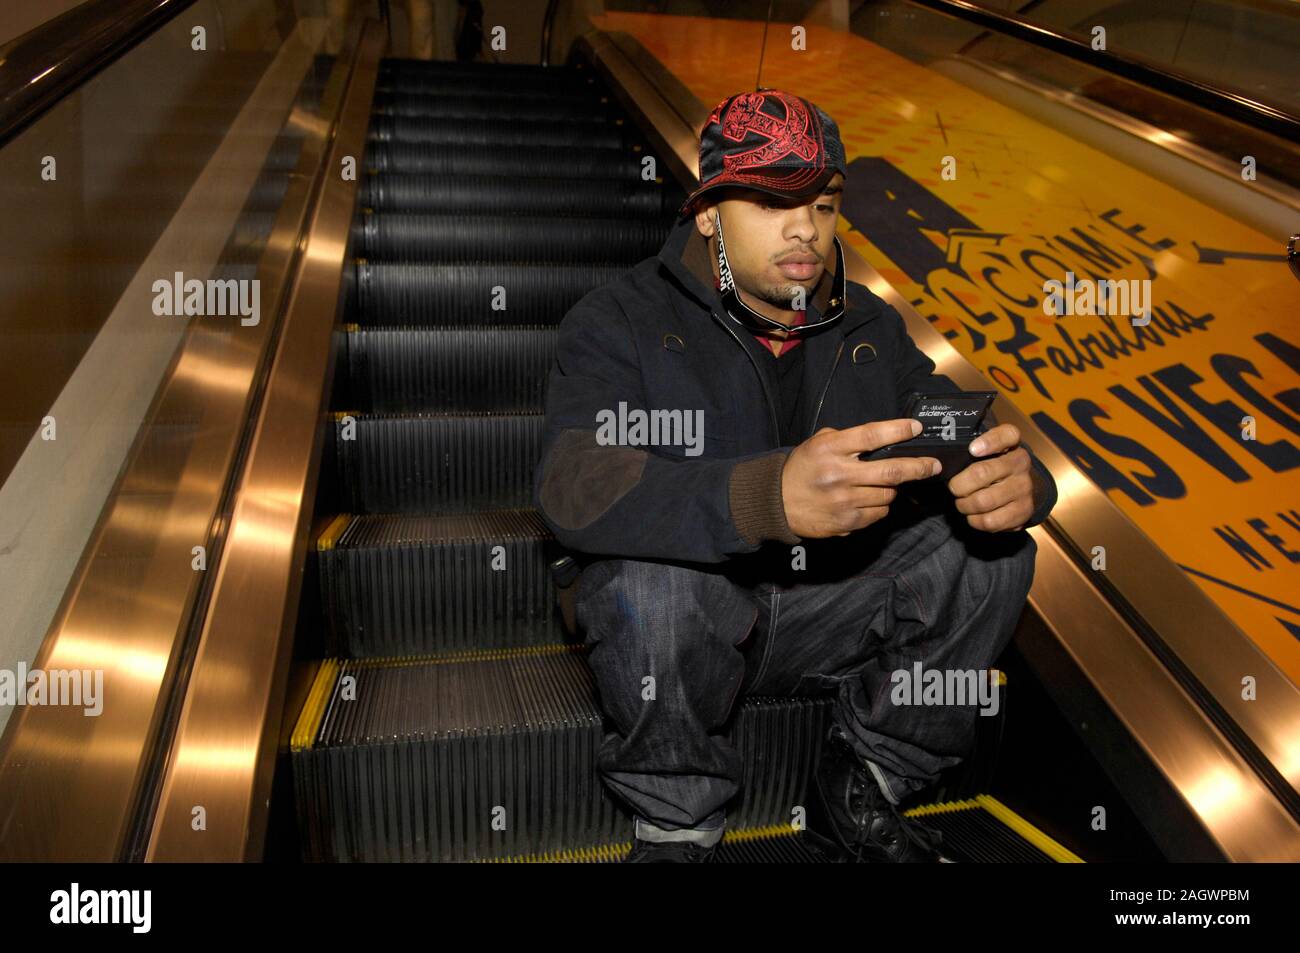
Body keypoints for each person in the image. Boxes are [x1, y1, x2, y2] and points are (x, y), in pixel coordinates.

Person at [533, 89, 1057, 863]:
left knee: (997, 553)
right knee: (655, 584)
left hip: (822, 605)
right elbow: (573, 482)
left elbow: (964, 433)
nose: (805, 228)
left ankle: (866, 778)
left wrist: (1022, 482)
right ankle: (676, 827)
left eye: (822, 201)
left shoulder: (871, 326)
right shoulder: (621, 319)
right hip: (691, 613)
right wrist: (763, 497)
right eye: (770, 201)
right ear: (708, 212)